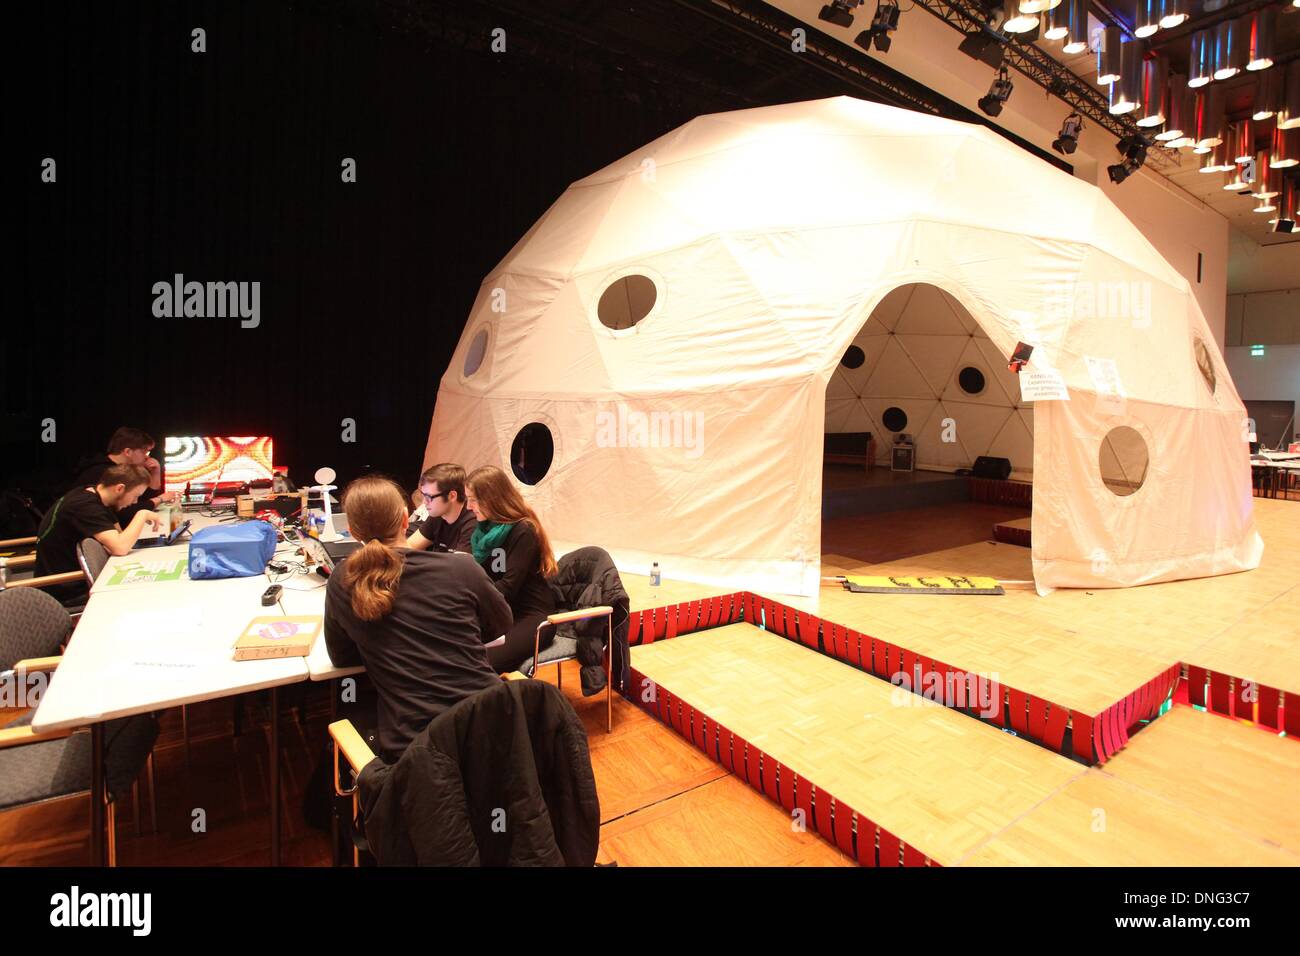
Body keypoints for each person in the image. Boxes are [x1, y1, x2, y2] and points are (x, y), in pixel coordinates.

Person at [322, 475, 513, 763]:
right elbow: (500, 625)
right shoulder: (462, 568)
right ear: (403, 519)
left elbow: (341, 657)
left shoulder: (343, 579)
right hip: (495, 729)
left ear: (351, 531)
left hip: (416, 752)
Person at [464, 465, 559, 674]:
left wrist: (469, 600)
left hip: (531, 617)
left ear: (492, 499)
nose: (469, 507)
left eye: (473, 500)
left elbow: (508, 586)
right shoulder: (483, 531)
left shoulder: (523, 530)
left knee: (478, 663)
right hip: (500, 613)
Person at [34, 463, 162, 605]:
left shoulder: (94, 494)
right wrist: (141, 515)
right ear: (120, 488)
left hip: (79, 577)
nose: (135, 502)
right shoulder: (85, 506)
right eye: (136, 496)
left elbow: (120, 535)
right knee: (148, 594)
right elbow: (120, 548)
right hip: (65, 587)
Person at [68, 426, 167, 523]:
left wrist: (156, 471)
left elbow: (142, 498)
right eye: (144, 452)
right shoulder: (100, 472)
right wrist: (159, 500)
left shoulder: (125, 470)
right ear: (128, 452)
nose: (146, 457)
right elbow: (122, 514)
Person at [406, 463, 477, 553]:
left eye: (429, 497)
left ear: (452, 496)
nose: (424, 502)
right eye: (423, 495)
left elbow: (458, 565)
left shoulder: (472, 523)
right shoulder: (438, 515)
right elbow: (409, 546)